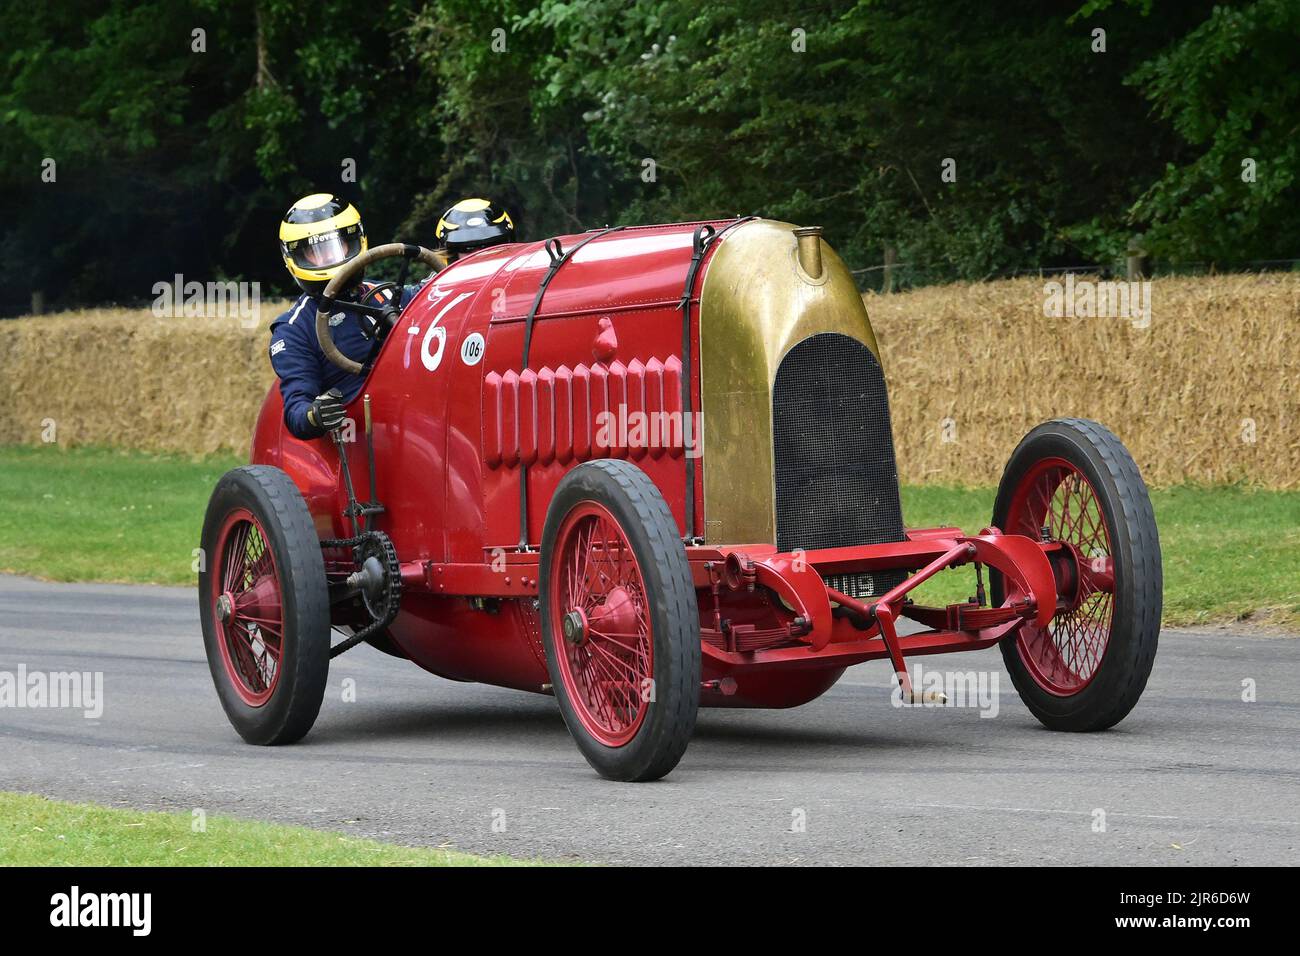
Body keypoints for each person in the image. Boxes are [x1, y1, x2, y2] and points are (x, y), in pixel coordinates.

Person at [269, 193, 515, 440]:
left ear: (357, 240)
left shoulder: (388, 294)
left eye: (337, 246)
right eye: (316, 253)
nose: (329, 259)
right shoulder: (292, 330)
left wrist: (477, 258)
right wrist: (316, 415)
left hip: (430, 413)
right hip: (368, 437)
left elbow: (440, 297)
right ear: (294, 258)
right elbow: (296, 409)